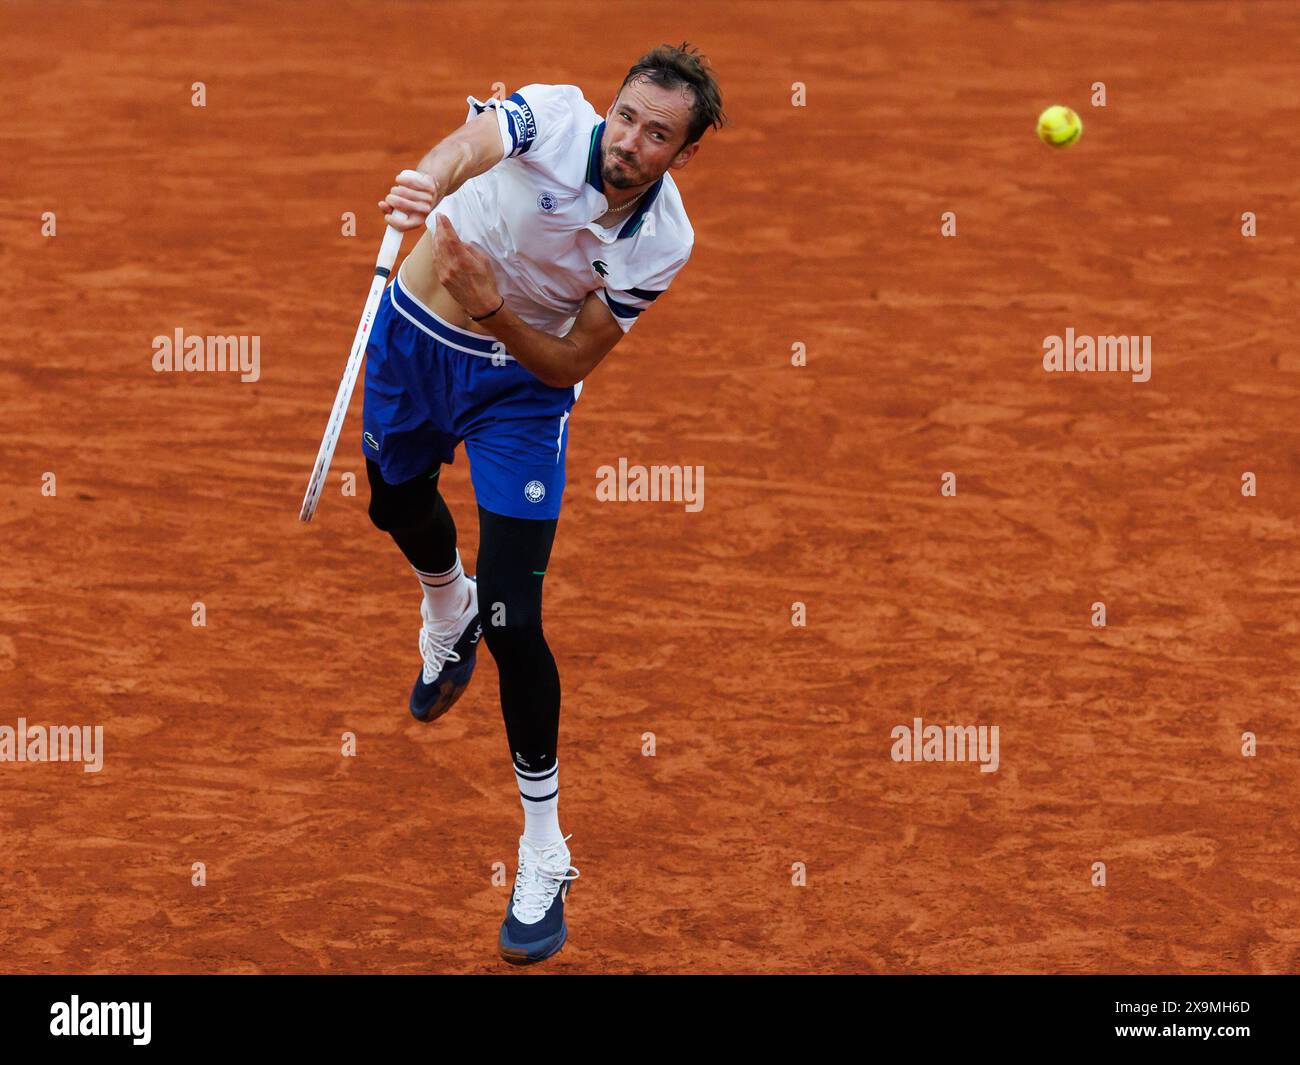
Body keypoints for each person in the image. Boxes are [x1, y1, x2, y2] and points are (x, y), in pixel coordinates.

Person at [365, 43, 725, 964]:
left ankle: (543, 848)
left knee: (515, 616)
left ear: (682, 155)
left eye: (658, 136)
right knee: (395, 502)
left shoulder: (663, 241)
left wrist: (494, 310)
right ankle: (444, 605)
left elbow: (568, 362)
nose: (631, 142)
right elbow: (473, 145)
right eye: (630, 116)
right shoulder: (559, 116)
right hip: (417, 330)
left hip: (521, 384)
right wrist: (422, 180)